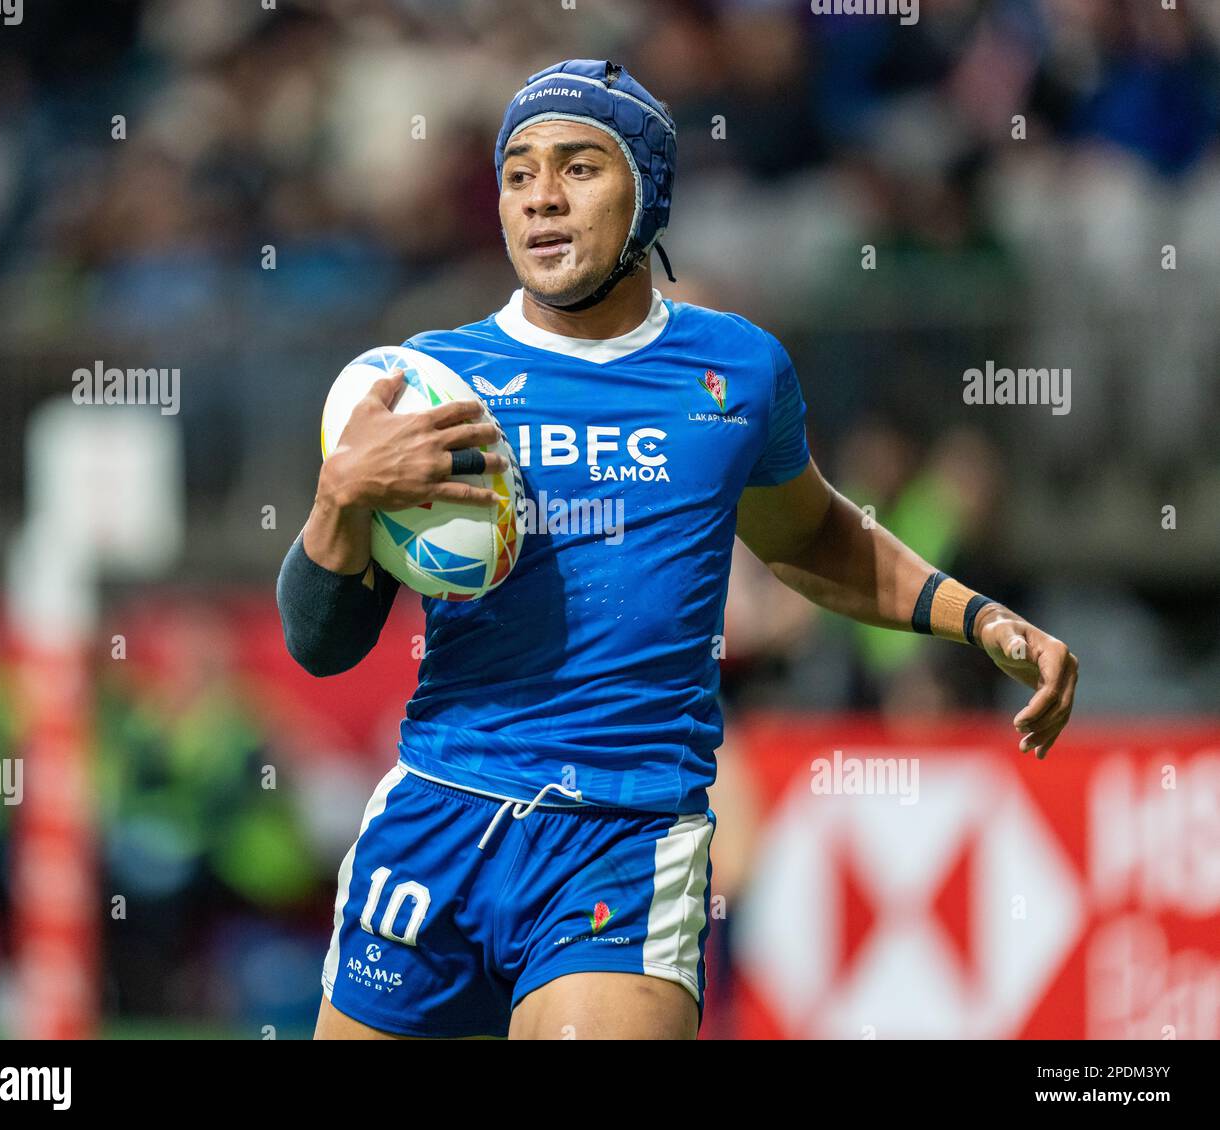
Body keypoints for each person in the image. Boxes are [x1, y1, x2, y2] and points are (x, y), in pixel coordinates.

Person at [277, 59, 1079, 1040]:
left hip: (625, 834)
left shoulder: (735, 371)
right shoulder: (429, 383)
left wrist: (975, 615)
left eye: (578, 166)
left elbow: (814, 534)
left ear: (647, 193)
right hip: (440, 813)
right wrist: (338, 499)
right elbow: (321, 640)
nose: (540, 196)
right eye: (518, 172)